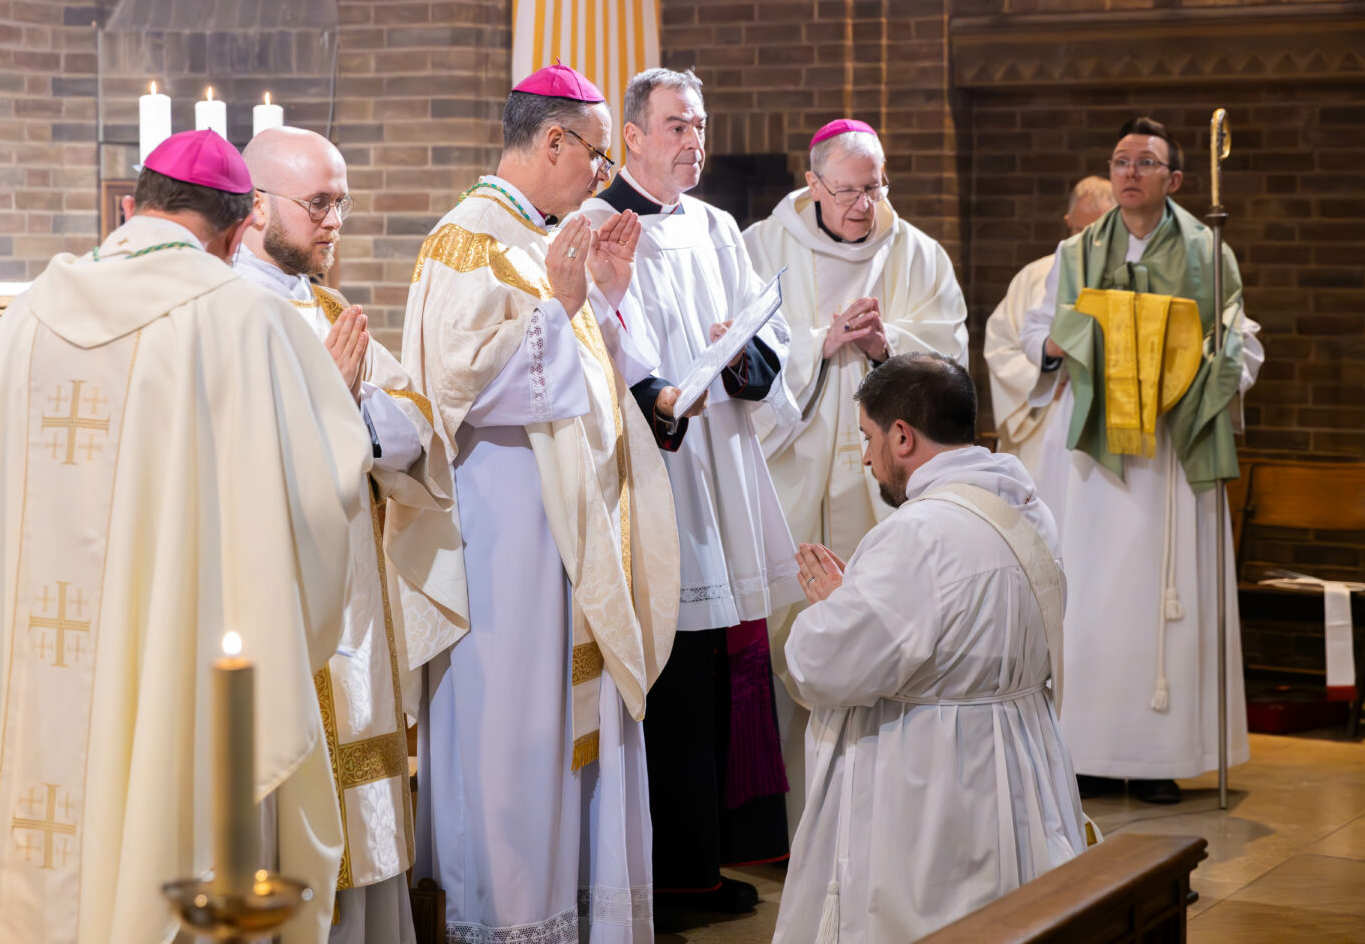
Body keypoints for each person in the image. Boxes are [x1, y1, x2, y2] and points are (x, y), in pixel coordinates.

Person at [0, 130, 369, 943]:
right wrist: (337, 409)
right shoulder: (243, 319)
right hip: (173, 670)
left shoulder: (28, 315)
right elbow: (315, 507)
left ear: (129, 207)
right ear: (235, 234)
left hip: (34, 669)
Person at [394, 62, 681, 944]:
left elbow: (589, 375)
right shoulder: (466, 241)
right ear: (553, 140)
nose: (602, 175)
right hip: (506, 539)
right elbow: (460, 387)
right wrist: (562, 306)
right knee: (515, 740)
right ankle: (506, 919)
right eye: (597, 155)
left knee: (572, 734)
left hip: (569, 534)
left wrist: (603, 297)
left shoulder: (540, 236)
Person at [577, 68, 796, 920]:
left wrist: (740, 355)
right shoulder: (595, 226)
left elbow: (766, 332)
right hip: (656, 466)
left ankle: (706, 862)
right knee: (670, 664)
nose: (692, 141)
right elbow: (597, 343)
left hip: (722, 466)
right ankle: (665, 876)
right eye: (675, 126)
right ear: (631, 135)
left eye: (699, 126)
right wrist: (664, 397)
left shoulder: (716, 226)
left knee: (718, 666)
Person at [775, 353, 1085, 944]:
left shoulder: (916, 534)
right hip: (1023, 757)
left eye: (868, 438)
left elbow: (822, 665)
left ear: (902, 436)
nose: (868, 458)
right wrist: (856, 602)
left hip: (934, 782)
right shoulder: (1027, 508)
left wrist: (832, 607)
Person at [1019, 117, 1265, 804]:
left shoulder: (1208, 252)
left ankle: (1159, 759)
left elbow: (1241, 340)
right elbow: (1037, 334)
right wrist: (1063, 342)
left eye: (1145, 162)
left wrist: (1209, 367)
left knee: (1165, 597)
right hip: (1095, 454)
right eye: (1120, 160)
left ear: (1174, 179)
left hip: (1170, 444)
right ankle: (1089, 752)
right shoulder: (1076, 252)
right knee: (1092, 597)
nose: (1129, 172)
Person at [742, 118, 968, 832]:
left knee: (884, 628)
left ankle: (877, 817)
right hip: (792, 478)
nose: (864, 205)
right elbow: (736, 357)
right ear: (813, 184)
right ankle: (790, 824)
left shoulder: (918, 253)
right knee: (790, 632)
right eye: (847, 191)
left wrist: (884, 346)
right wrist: (821, 343)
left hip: (885, 488)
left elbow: (952, 359)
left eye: (875, 187)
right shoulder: (761, 247)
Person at [236, 126, 431, 943]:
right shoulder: (226, 314)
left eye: (341, 203)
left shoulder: (326, 309)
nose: (335, 221)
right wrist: (331, 401)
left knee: (363, 802)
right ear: (256, 206)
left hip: (351, 607)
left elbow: (415, 427)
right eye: (318, 203)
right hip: (273, 600)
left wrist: (353, 409)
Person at [984, 175, 1114, 510]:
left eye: (1099, 233)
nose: (1087, 243)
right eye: (1079, 231)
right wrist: (1043, 379)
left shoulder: (1125, 281)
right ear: (1067, 223)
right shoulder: (1036, 276)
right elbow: (1000, 347)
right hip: (1044, 420)